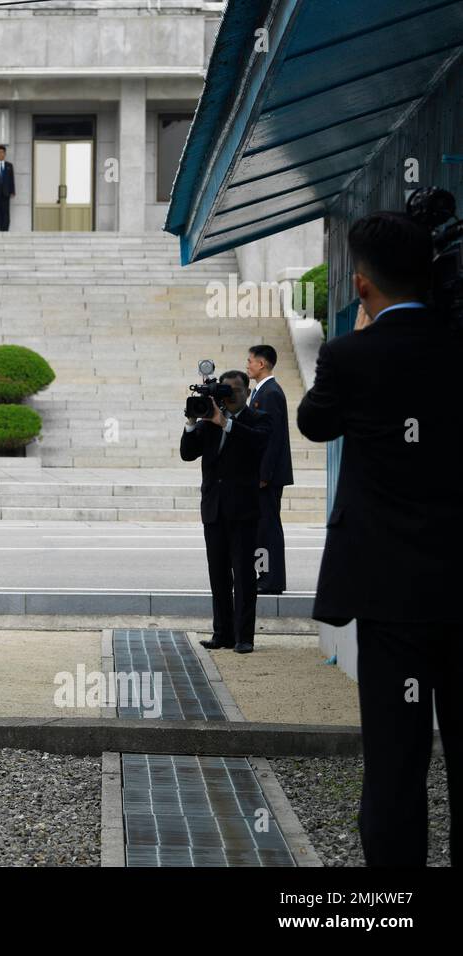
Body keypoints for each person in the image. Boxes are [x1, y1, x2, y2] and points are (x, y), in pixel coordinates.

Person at [297, 211, 463, 867]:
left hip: (390, 592)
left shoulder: (350, 356)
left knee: (397, 758)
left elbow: (315, 423)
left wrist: (361, 334)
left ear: (362, 286)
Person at [180, 370, 270, 654]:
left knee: (244, 576)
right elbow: (187, 453)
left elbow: (258, 444)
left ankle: (244, 637)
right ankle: (222, 633)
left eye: (235, 390)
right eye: (225, 391)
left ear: (246, 392)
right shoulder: (209, 420)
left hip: (242, 510)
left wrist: (227, 423)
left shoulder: (258, 419)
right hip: (214, 509)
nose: (230, 396)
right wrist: (192, 422)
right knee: (218, 576)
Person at [246, 344, 293, 594]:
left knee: (268, 527)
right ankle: (263, 576)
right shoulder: (259, 391)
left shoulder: (271, 393)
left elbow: (273, 438)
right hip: (262, 474)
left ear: (261, 364)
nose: (248, 365)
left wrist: (264, 474)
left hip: (268, 476)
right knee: (261, 527)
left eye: (250, 361)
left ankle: (271, 580)